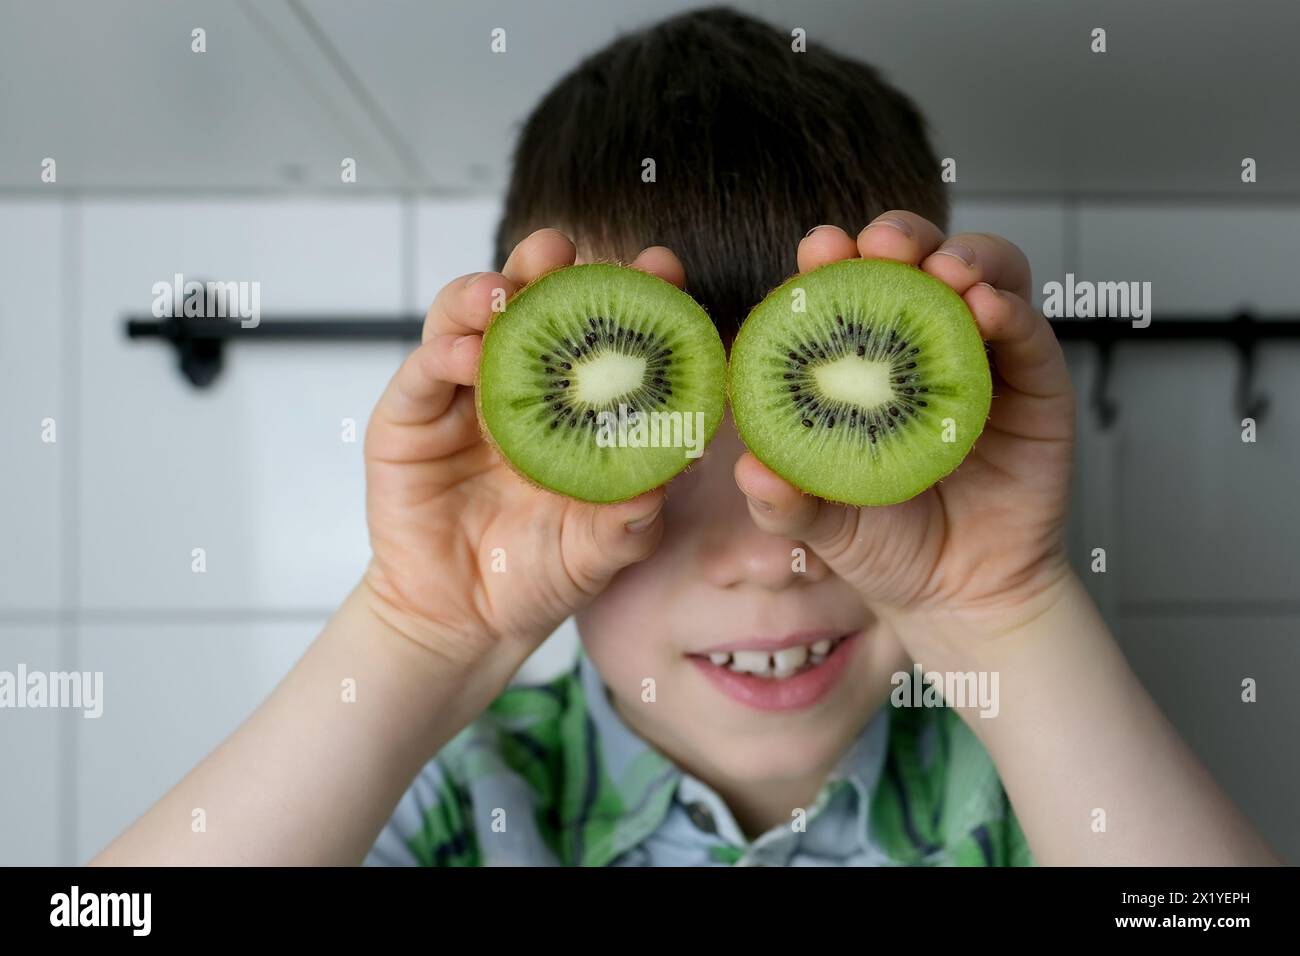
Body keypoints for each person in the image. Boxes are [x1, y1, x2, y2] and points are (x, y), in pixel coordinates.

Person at [95, 7, 1276, 866]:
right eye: (660, 459)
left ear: (932, 435)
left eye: (816, 461)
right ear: (535, 459)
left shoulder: (1046, 783)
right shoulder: (458, 795)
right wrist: (415, 634)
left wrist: (1010, 615)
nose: (772, 546)